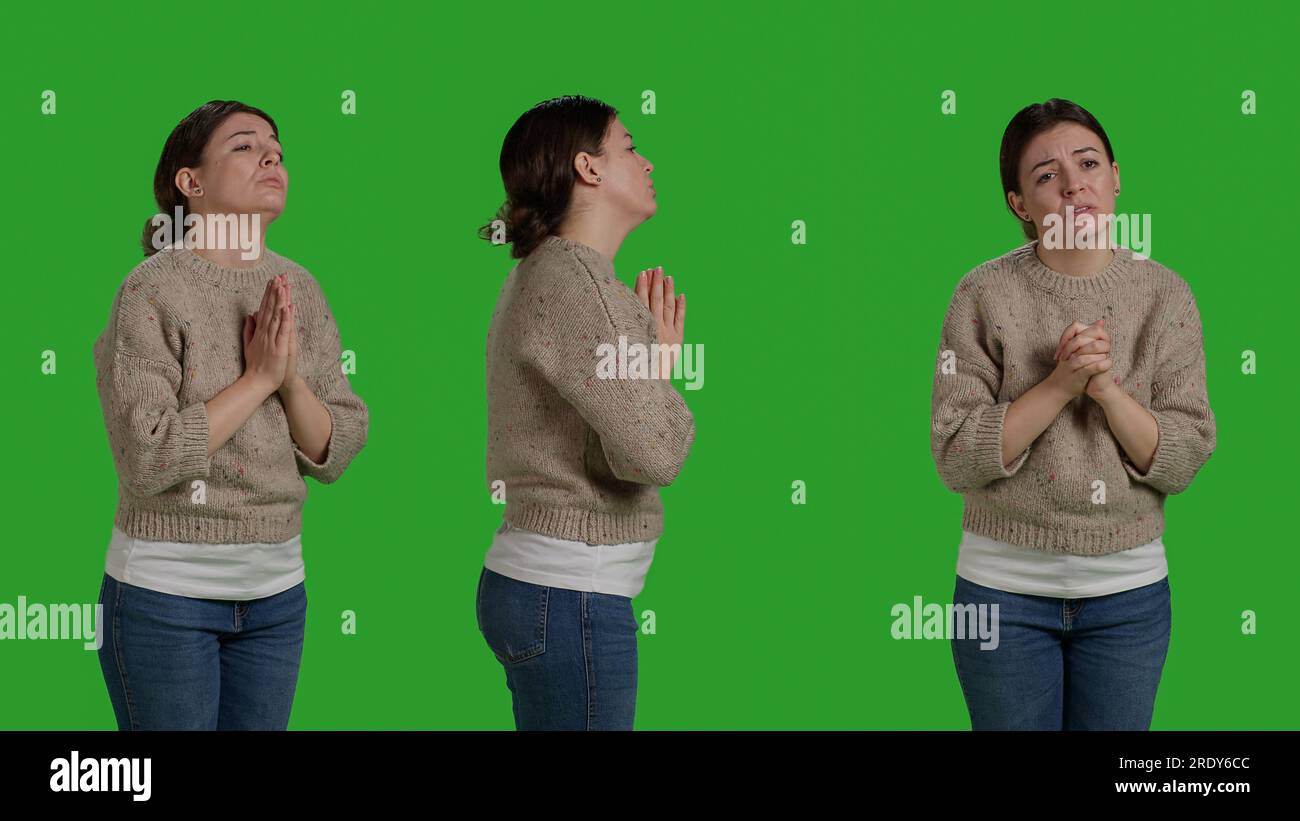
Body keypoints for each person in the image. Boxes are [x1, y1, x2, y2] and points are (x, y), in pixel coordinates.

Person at [931, 98, 1215, 730]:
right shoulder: (981, 294)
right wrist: (1059, 385)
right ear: (1019, 205)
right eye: (1045, 175)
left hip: (1129, 598)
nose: (1073, 183)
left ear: (1116, 176)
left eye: (1087, 163)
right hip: (1000, 594)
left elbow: (1185, 453)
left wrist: (1108, 392)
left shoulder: (1166, 295)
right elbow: (955, 454)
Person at [93, 100, 369, 730]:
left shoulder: (299, 287)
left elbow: (338, 445)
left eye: (277, 147)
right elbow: (149, 457)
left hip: (276, 597)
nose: (271, 156)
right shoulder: (151, 291)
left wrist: (289, 379)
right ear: (190, 183)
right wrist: (259, 379)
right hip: (165, 598)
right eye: (245, 146)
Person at [477, 95, 696, 730]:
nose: (646, 160)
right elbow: (655, 454)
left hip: (552, 590)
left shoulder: (554, 274)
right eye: (629, 146)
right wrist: (663, 365)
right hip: (569, 594)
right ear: (588, 168)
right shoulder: (579, 285)